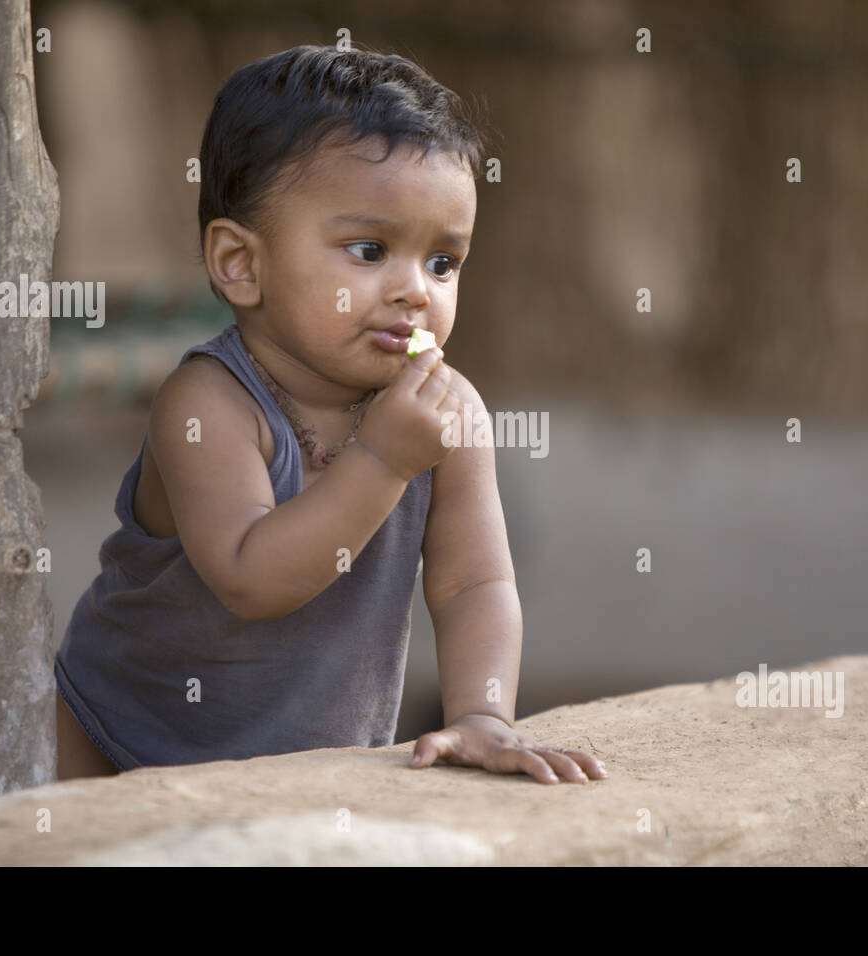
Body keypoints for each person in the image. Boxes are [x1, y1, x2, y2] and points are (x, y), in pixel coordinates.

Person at [54, 44, 606, 787]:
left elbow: (474, 583)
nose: (416, 290)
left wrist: (482, 716)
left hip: (310, 770)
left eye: (444, 262)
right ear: (241, 264)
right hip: (114, 742)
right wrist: (380, 462)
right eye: (370, 249)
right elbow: (252, 579)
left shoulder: (450, 414)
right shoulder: (209, 404)